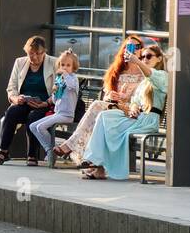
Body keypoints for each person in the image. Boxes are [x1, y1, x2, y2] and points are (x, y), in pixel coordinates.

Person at [55, 34, 146, 167]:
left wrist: (127, 99)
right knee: (99, 115)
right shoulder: (116, 71)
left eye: (136, 47)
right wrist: (110, 97)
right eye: (129, 46)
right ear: (124, 49)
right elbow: (106, 97)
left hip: (131, 113)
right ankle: (93, 165)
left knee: (97, 107)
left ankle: (71, 146)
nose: (133, 50)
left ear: (141, 50)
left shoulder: (144, 73)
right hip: (113, 110)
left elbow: (143, 99)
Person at [80, 44, 167, 181]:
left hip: (148, 120)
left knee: (110, 126)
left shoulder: (162, 76)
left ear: (159, 58)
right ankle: (94, 160)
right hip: (138, 117)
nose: (145, 59)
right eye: (142, 56)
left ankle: (97, 164)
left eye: (149, 56)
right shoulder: (144, 82)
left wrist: (136, 61)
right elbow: (135, 101)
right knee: (104, 115)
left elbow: (151, 75)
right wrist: (133, 108)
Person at [0, 35, 56, 166]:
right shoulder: (20, 62)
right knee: (11, 112)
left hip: (44, 104)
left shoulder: (54, 63)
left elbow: (59, 90)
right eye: (31, 54)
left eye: (38, 54)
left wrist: (47, 102)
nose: (35, 57)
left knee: (33, 117)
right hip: (24, 102)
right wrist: (16, 99)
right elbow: (11, 88)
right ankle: (3, 151)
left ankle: (32, 154)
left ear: (44, 52)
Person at [29, 48, 81, 167]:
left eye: (68, 65)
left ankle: (50, 151)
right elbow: (55, 100)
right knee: (33, 126)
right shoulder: (60, 80)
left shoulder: (73, 78)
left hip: (67, 115)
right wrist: (54, 92)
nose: (65, 67)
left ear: (73, 67)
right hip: (58, 113)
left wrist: (65, 75)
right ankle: (51, 149)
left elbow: (72, 87)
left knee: (41, 127)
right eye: (62, 65)